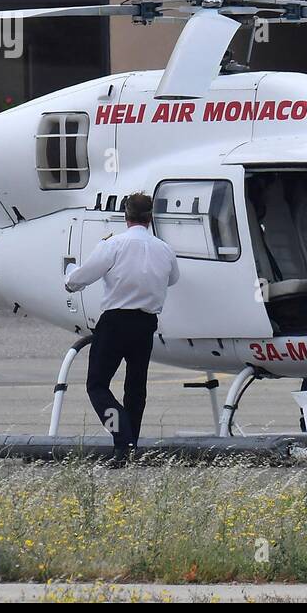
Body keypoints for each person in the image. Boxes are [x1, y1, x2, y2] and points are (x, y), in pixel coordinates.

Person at [65, 193, 180, 465]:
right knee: (136, 387)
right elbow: (173, 279)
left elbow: (83, 276)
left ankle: (122, 436)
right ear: (150, 218)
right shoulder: (164, 249)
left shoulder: (113, 245)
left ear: (125, 217)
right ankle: (129, 446)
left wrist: (69, 280)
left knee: (97, 385)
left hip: (115, 323)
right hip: (145, 324)